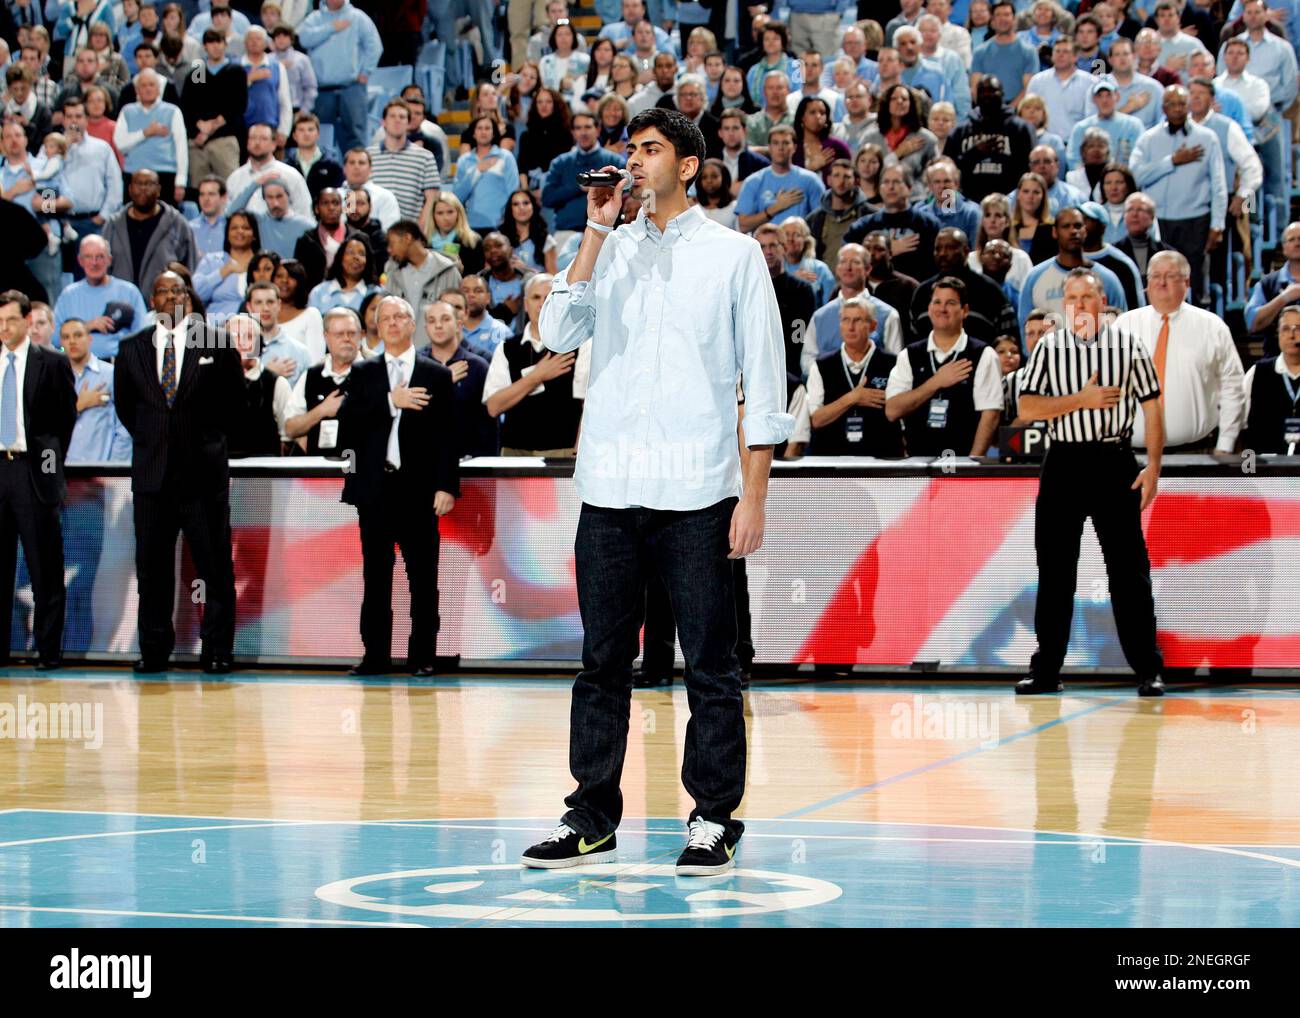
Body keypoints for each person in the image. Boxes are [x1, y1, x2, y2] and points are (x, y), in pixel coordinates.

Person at [525, 107, 792, 875]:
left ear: (689, 165)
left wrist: (756, 493)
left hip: (700, 491)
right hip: (609, 487)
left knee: (711, 663)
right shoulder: (607, 248)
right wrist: (595, 233)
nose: (633, 162)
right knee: (602, 662)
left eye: (649, 150)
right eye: (630, 149)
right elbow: (556, 335)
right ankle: (591, 816)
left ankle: (713, 817)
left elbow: (765, 380)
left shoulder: (734, 255)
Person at [1014, 267, 1166, 697]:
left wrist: (1153, 466)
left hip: (1113, 459)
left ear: (1102, 301)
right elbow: (1026, 408)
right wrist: (1080, 400)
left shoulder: (1129, 347)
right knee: (1056, 570)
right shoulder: (1049, 348)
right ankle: (1046, 670)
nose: (1079, 305)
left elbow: (1153, 408)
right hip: (1063, 461)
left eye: (1087, 297)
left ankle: (1147, 668)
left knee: (1128, 570)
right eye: (1071, 298)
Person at [113, 271, 244, 674]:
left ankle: (217, 649)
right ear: (151, 299)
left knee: (214, 567)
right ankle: (154, 649)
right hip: (152, 478)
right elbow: (128, 409)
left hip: (202, 478)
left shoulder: (217, 343)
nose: (170, 296)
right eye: (162, 290)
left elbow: (233, 405)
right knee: (152, 570)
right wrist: (159, 442)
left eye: (177, 290)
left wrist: (200, 443)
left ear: (188, 297)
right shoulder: (131, 348)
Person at [336, 294, 458, 676]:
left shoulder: (436, 374)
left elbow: (448, 437)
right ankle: (376, 657)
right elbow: (348, 425)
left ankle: (422, 657)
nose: (391, 323)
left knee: (423, 579)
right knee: (376, 578)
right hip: (375, 490)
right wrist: (392, 401)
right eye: (384, 317)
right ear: (376, 325)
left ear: (411, 324)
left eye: (399, 317)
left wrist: (447, 486)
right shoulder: (363, 372)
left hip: (419, 492)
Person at [0, 289, 77, 669]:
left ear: (28, 321)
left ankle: (48, 650)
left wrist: (47, 472)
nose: (4, 328)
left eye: (10, 320)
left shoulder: (51, 363)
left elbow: (63, 425)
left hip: (33, 472)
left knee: (44, 567)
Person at [1114, 251, 1245, 455]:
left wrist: (1225, 444)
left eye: (1170, 276)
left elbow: (1233, 388)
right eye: (1155, 276)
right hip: (1132, 453)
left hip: (1196, 451)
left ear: (1187, 282)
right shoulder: (1124, 325)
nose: (1161, 283)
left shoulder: (1212, 327)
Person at [1129, 85, 1225, 307]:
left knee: (1195, 280)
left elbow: (1219, 184)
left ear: (1188, 105)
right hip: (1158, 221)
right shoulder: (1148, 139)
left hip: (1196, 219)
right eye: (1171, 104)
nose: (1177, 109)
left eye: (1181, 103)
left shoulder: (1207, 137)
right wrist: (1172, 161)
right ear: (1163, 107)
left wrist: (1217, 224)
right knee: (1158, 278)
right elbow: (1137, 175)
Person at [885, 275, 1003, 456]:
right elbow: (892, 410)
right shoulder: (909, 355)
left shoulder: (983, 355)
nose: (942, 308)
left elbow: (990, 416)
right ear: (929, 308)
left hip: (963, 464)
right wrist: (936, 382)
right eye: (937, 302)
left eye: (950, 303)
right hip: (918, 465)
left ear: (964, 310)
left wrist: (971, 465)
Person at [806, 295, 904, 457]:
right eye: (845, 320)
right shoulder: (822, 366)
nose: (850, 327)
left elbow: (900, 415)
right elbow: (815, 420)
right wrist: (853, 398)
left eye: (858, 320)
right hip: (832, 460)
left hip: (882, 459)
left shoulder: (894, 364)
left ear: (872, 326)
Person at [1019, 207, 1128, 330]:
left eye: (1078, 226)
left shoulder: (1108, 279)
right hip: (1049, 348)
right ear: (1055, 232)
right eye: (1066, 226)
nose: (1073, 231)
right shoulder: (1034, 277)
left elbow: (1121, 324)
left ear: (1085, 231)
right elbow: (1025, 326)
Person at [295, 0, 380, 158]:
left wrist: (366, 72)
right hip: (322, 89)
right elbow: (303, 39)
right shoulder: (314, 18)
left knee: (356, 135)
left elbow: (374, 46)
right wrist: (332, 28)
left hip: (352, 87)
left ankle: (358, 177)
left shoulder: (358, 17)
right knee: (319, 135)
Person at [102, 168, 198, 295]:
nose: (143, 188)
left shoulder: (177, 224)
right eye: (138, 183)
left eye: (149, 184)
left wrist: (181, 310)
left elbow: (190, 270)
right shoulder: (113, 225)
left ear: (158, 189)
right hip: (120, 305)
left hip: (164, 308)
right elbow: (103, 267)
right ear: (130, 189)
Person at [52, 234, 149, 358]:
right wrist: (85, 327)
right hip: (76, 367)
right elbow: (54, 338)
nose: (94, 262)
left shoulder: (129, 291)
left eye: (100, 256)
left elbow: (143, 336)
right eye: (88, 257)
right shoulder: (68, 294)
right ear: (80, 261)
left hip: (119, 365)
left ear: (109, 260)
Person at [422, 298, 496, 458]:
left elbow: (489, 422)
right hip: (426, 461)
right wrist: (443, 380)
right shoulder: (417, 366)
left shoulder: (478, 366)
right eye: (432, 320)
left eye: (445, 319)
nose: (438, 325)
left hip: (472, 463)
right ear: (425, 328)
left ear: (458, 325)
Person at [944, 75, 1036, 202]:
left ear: (1002, 94)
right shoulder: (959, 132)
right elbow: (945, 174)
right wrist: (975, 153)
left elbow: (1030, 172)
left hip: (1011, 203)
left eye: (992, 91)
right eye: (982, 91)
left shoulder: (1021, 129)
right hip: (967, 205)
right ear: (975, 95)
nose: (987, 95)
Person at [844, 164, 938, 283]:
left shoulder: (928, 224)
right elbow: (848, 259)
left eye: (896, 182)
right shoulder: (862, 227)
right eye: (886, 182)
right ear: (879, 188)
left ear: (909, 188)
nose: (890, 187)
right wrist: (888, 250)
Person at [284, 305, 359, 455]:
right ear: (326, 336)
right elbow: (290, 429)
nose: (346, 339)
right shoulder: (311, 376)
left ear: (360, 335)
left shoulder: (372, 373)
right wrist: (322, 410)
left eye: (351, 333)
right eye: (339, 334)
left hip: (360, 469)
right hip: (318, 470)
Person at [181, 29, 248, 195]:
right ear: (205, 46)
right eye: (211, 43)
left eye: (219, 42)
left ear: (225, 44)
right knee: (199, 190)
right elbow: (190, 104)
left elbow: (238, 105)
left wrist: (210, 129)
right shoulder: (199, 70)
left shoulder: (235, 70)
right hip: (198, 142)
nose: (215, 47)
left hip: (225, 139)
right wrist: (199, 125)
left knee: (230, 188)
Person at [542, 112, 625, 244]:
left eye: (587, 127)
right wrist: (578, 187)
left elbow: (627, 194)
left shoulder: (615, 161)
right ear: (572, 132)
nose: (583, 133)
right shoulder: (560, 163)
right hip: (567, 233)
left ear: (598, 130)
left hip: (606, 232)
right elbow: (547, 198)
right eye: (578, 128)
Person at [226, 312, 291, 457]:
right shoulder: (210, 381)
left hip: (263, 474)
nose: (241, 342)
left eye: (249, 337)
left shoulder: (277, 384)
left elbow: (287, 437)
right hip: (222, 472)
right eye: (234, 336)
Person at [1242, 305, 1300, 454]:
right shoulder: (1258, 373)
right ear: (1278, 333)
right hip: (1267, 470)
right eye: (1286, 329)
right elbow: (1239, 422)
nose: (1292, 335)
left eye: (1298, 328)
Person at [383, 220, 462, 318]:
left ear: (407, 238)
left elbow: (459, 312)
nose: (389, 250)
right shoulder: (392, 272)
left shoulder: (447, 271)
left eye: (391, 244)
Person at [1245, 220, 1300, 356]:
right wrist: (1283, 298)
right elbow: (1252, 322)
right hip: (1276, 361)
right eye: (1292, 239)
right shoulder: (1267, 283)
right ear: (1283, 248)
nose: (1297, 243)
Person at [970, 2, 1039, 107]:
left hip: (1018, 112)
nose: (1003, 19)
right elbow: (975, 87)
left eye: (1007, 15)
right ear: (992, 21)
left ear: (1014, 19)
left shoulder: (1028, 51)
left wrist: (1008, 111)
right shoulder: (980, 52)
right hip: (987, 111)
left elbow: (1029, 88)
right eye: (998, 15)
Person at [193, 211, 260, 318]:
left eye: (246, 228)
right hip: (217, 326)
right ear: (227, 234)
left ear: (254, 234)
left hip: (256, 325)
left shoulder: (263, 263)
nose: (240, 231)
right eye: (234, 228)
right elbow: (195, 294)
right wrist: (223, 271)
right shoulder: (211, 261)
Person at [292, 186, 355, 289]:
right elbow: (299, 277)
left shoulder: (356, 237)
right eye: (325, 203)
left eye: (335, 203)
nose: (331, 208)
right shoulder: (306, 241)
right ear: (317, 208)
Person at [188, 174, 228, 258]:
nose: (206, 199)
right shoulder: (189, 228)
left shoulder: (231, 228)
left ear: (223, 197)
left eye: (211, 194)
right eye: (202, 194)